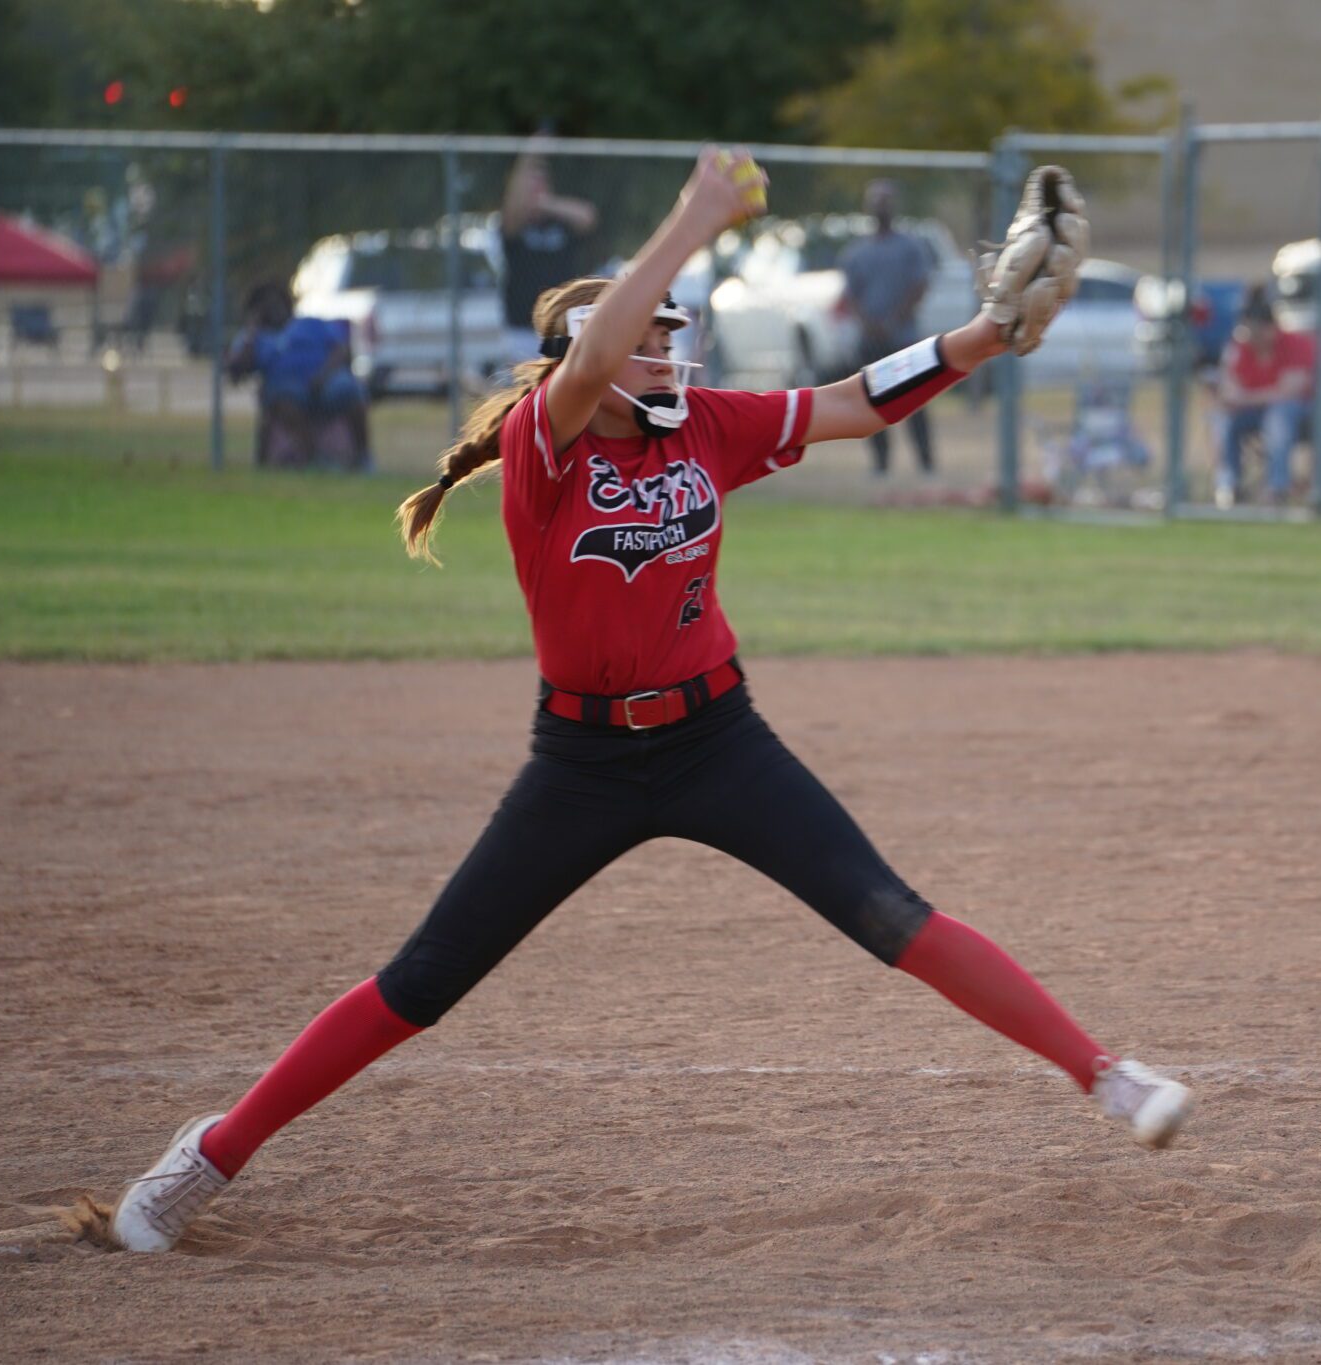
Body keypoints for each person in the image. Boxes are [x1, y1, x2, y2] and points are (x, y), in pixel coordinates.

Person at [109, 151, 1191, 1254]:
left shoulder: (701, 426)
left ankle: (1104, 1074)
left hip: (717, 741)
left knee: (890, 914)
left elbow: (853, 404)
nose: (671, 354)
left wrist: (986, 337)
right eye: (652, 338)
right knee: (423, 981)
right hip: (581, 765)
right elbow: (587, 357)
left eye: (674, 337)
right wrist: (692, 218)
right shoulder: (546, 447)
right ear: (596, 354)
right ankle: (211, 1153)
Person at [838, 180, 937, 476]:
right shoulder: (856, 252)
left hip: (904, 339)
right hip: (870, 341)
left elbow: (920, 285)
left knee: (915, 400)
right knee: (873, 403)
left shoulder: (910, 247)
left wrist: (895, 320)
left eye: (886, 200)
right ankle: (880, 463)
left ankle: (926, 462)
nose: (880, 206)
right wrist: (869, 324)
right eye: (875, 201)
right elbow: (851, 296)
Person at [224, 281, 371, 471]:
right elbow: (235, 371)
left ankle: (362, 458)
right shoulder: (254, 337)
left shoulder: (309, 323)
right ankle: (312, 459)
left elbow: (341, 349)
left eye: (276, 301)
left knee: (350, 390)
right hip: (285, 386)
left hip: (325, 379)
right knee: (285, 399)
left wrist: (324, 375)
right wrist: (252, 330)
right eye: (266, 304)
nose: (273, 307)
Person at [501, 136, 600, 367]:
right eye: (530, 186)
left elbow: (588, 217)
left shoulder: (561, 222)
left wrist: (545, 203)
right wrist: (528, 155)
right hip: (521, 327)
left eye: (540, 183)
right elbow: (511, 213)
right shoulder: (516, 226)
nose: (536, 190)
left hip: (560, 324)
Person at [1213, 284, 1315, 508]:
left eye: (1257, 331)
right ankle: (1229, 485)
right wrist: (1236, 397)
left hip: (1302, 415)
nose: (1252, 338)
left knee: (1278, 415)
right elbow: (1229, 390)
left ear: (1271, 328)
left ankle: (1277, 489)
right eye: (1248, 331)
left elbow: (1290, 391)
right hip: (1253, 414)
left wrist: (1245, 398)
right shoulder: (1239, 348)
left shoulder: (1295, 344)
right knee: (1222, 419)